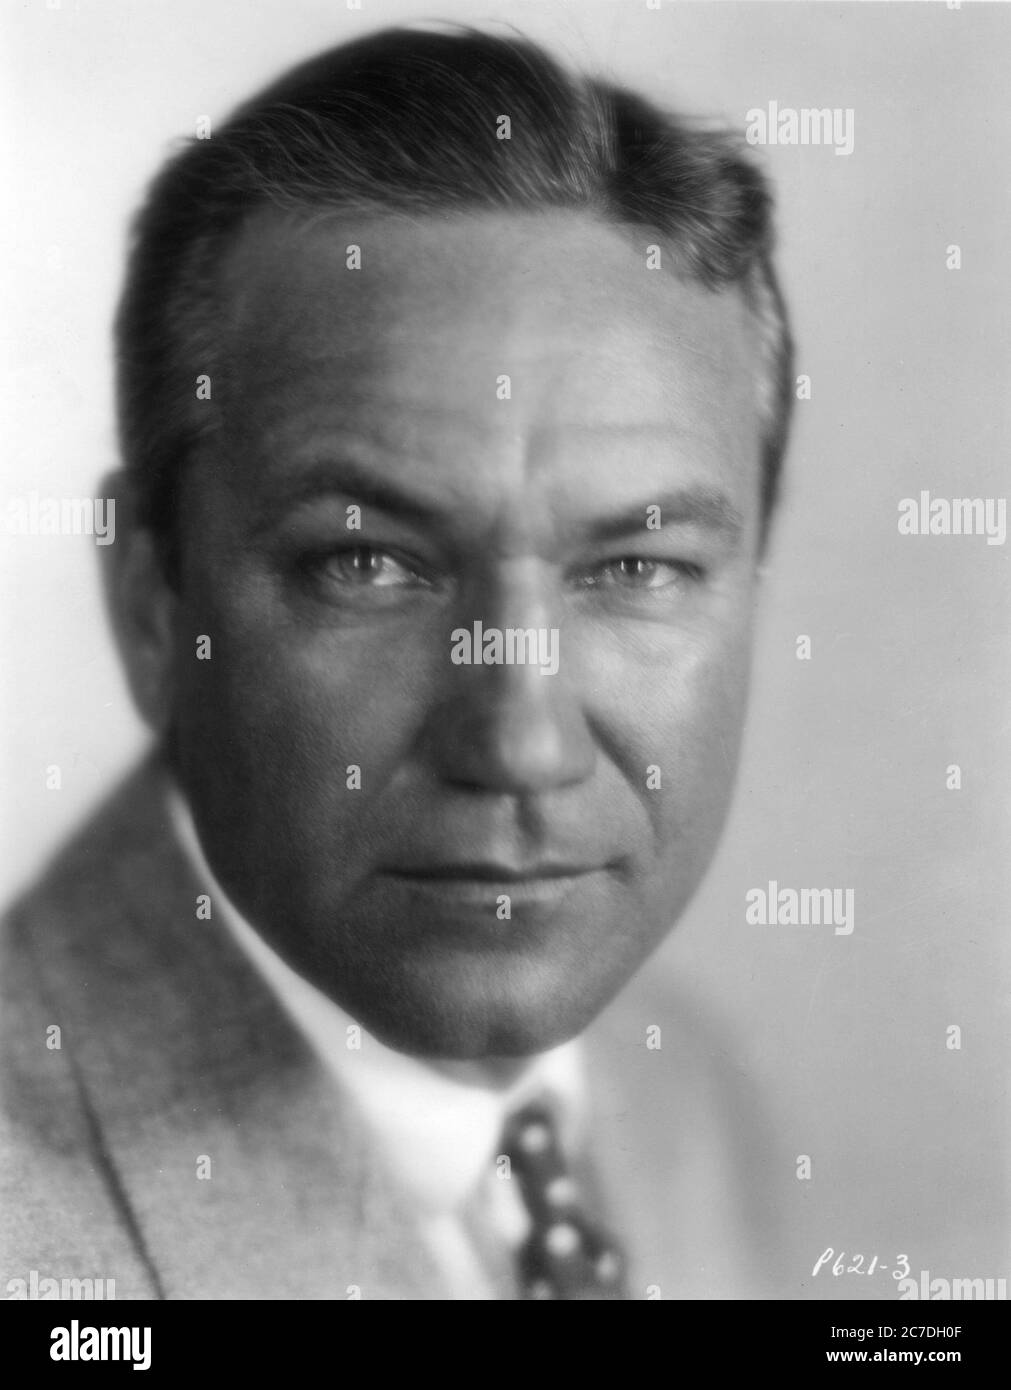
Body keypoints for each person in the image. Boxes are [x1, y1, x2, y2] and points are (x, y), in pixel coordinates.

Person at [1, 25, 795, 1300]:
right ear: (154, 606)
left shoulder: (676, 1094)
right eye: (366, 563)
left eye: (635, 568)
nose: (521, 738)